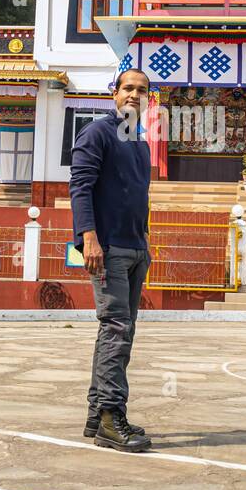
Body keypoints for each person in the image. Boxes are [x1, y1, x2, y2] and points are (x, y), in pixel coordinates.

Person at [69, 67, 154, 452]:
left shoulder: (139, 142)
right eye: (128, 88)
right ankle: (110, 417)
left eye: (142, 90)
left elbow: (136, 195)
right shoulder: (98, 132)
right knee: (116, 328)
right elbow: (81, 185)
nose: (134, 95)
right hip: (108, 249)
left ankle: (95, 415)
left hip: (135, 248)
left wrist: (145, 240)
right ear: (114, 93)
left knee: (120, 330)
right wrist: (89, 237)